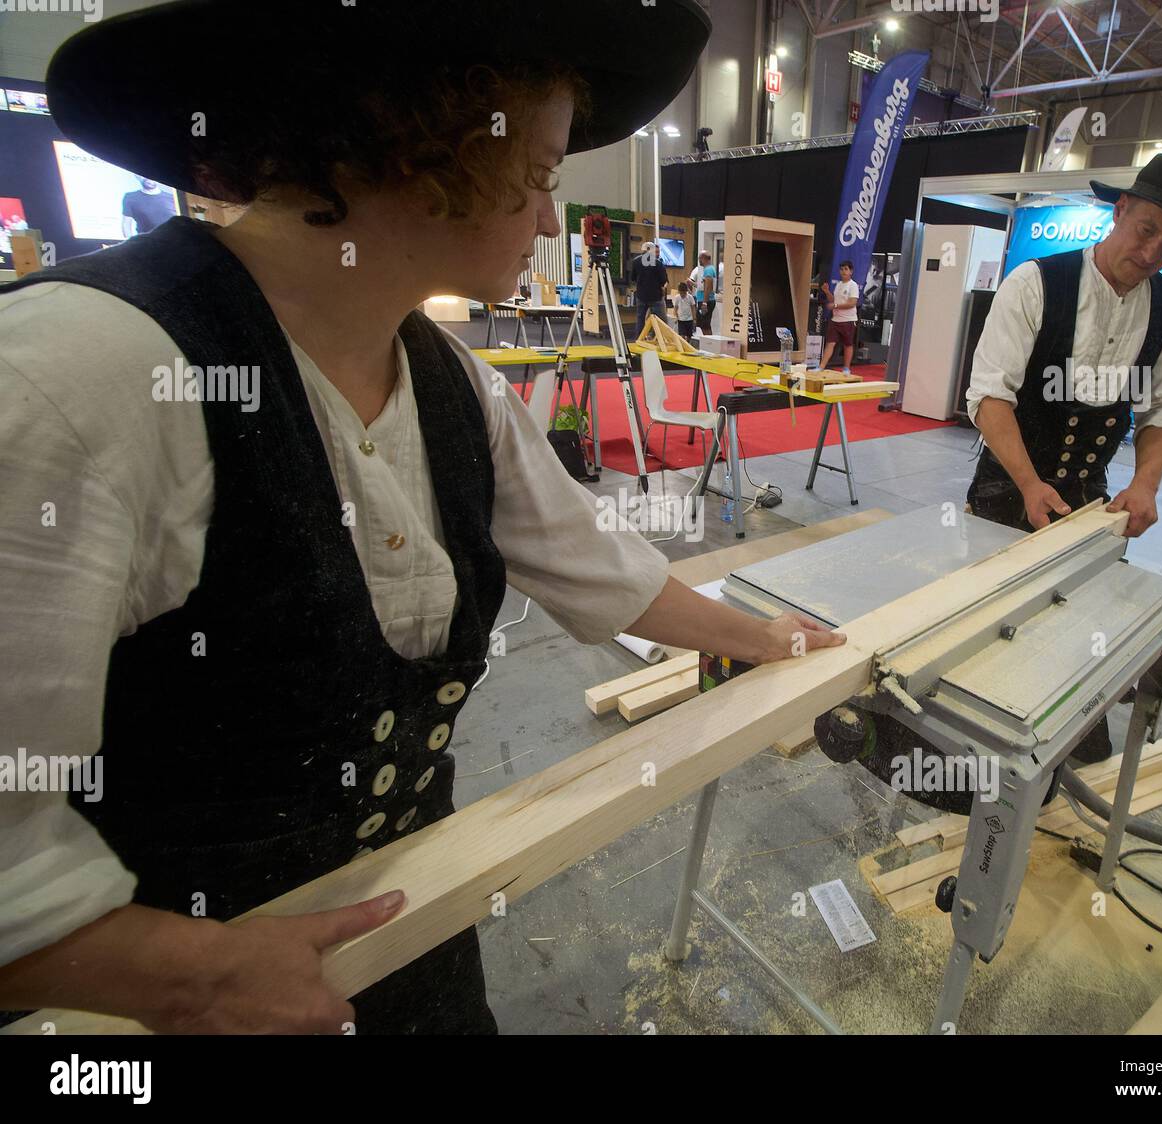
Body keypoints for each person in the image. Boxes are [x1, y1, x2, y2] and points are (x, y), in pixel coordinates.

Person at [0, 0, 844, 1035]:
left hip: (412, 927)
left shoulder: (447, 381)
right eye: (536, 175)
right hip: (155, 1007)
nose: (548, 219)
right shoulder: (82, 373)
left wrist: (763, 638)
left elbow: (591, 559)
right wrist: (196, 976)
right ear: (405, 143)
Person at [964, 150, 1162, 761]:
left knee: (1072, 639)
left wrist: (1146, 485)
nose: (1153, 252)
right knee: (987, 643)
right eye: (1146, 231)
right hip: (1006, 491)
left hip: (1091, 508)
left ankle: (1060, 751)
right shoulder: (1035, 283)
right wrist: (1030, 483)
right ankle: (982, 757)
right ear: (1121, 208)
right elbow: (988, 398)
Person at [820, 260, 859, 373]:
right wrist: (827, 292)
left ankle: (846, 368)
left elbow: (852, 303)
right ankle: (821, 367)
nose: (843, 271)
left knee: (847, 344)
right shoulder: (838, 284)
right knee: (830, 343)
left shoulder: (853, 285)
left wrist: (835, 305)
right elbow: (833, 300)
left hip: (848, 320)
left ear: (851, 271)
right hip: (836, 319)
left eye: (846, 269)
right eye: (841, 269)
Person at [630, 239, 668, 337]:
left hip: (641, 295)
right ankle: (659, 339)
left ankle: (639, 339)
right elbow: (663, 280)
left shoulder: (635, 262)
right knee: (660, 320)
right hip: (655, 296)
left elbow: (632, 278)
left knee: (640, 319)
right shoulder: (658, 263)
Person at [693, 249, 716, 334]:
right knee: (703, 325)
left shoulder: (708, 270)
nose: (699, 260)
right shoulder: (708, 269)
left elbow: (708, 287)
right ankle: (708, 343)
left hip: (707, 301)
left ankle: (709, 345)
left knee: (705, 325)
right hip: (704, 300)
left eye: (699, 258)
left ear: (703, 258)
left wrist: (704, 303)